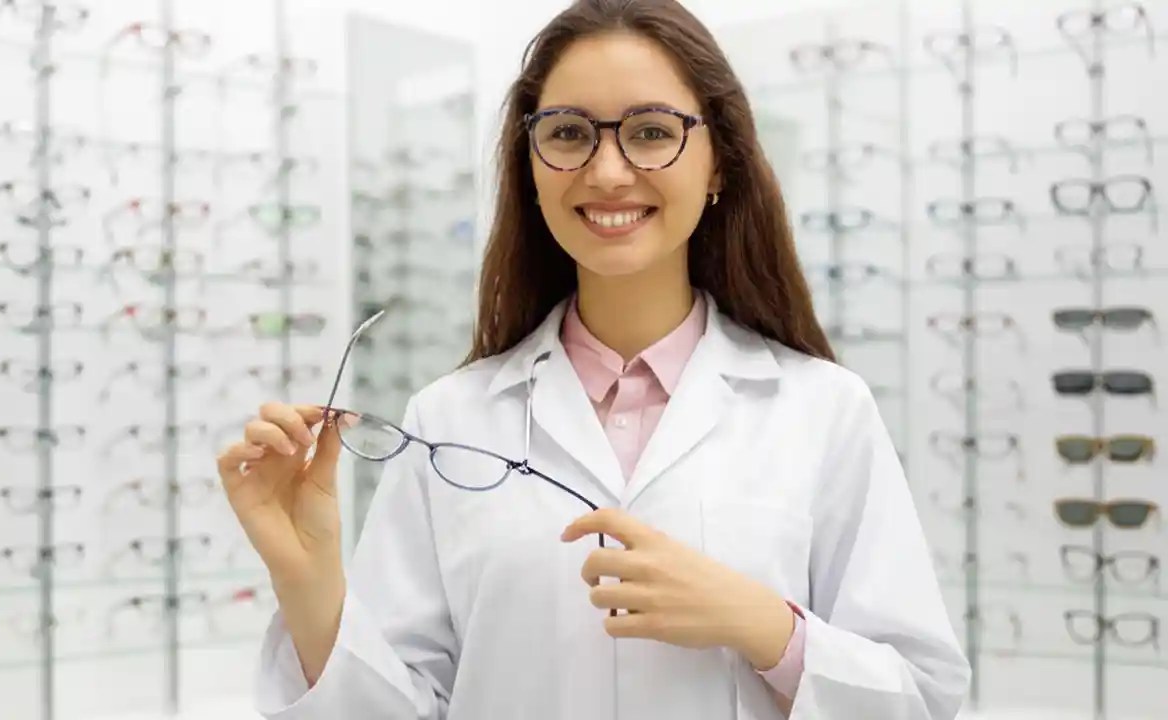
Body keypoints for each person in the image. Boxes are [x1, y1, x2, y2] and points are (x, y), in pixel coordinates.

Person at [216, 1, 971, 718]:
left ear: (719, 164)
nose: (608, 172)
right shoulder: (448, 419)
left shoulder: (823, 409)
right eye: (570, 133)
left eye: (652, 131)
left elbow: (918, 698)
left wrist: (763, 625)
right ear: (531, 165)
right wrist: (308, 583)